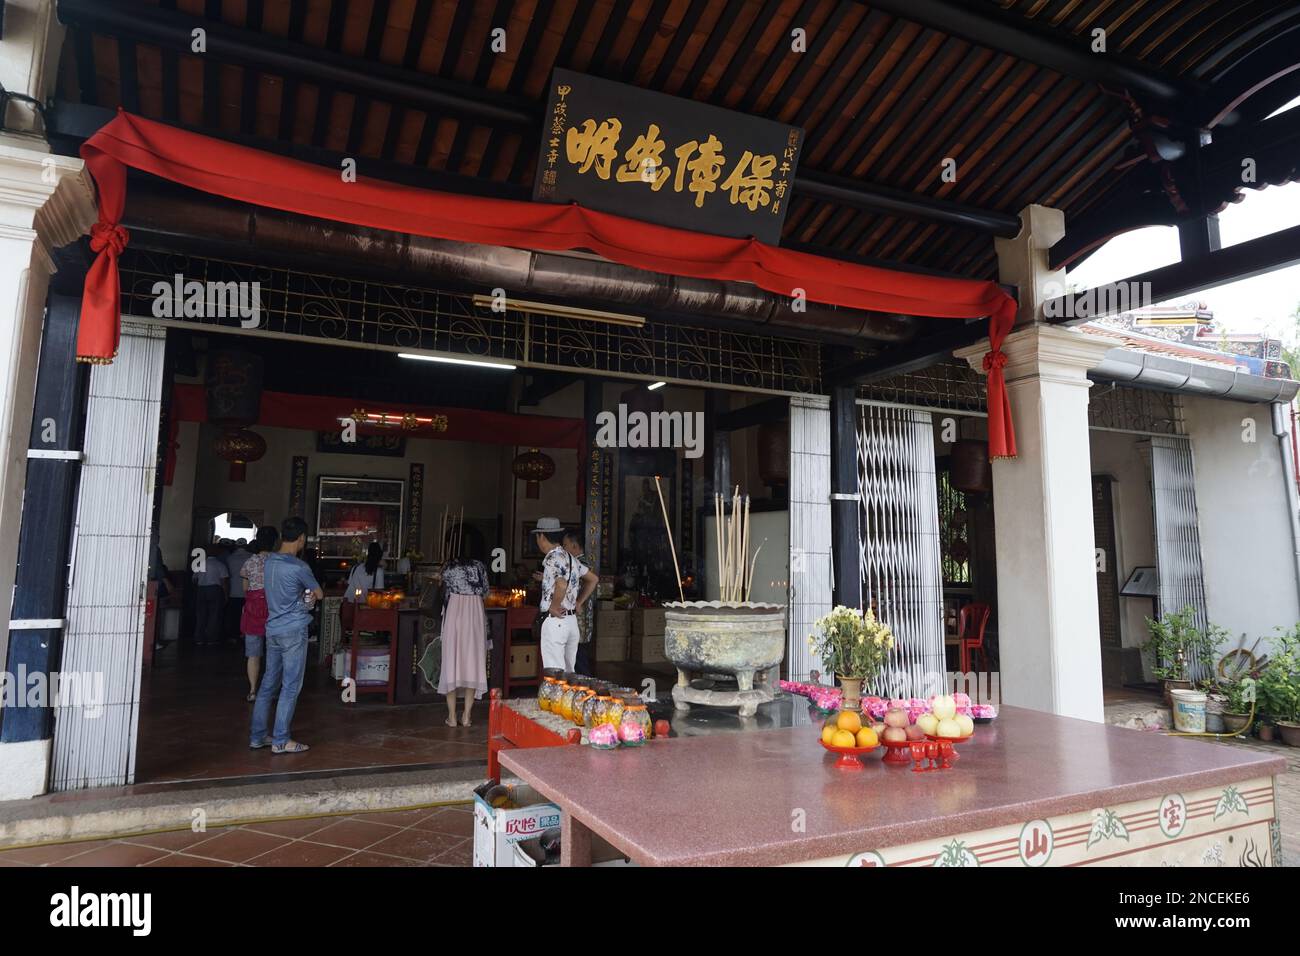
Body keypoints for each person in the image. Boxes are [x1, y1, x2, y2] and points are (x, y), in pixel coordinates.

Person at [250, 517, 322, 754]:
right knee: (290, 686)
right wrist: (308, 596)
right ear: (301, 538)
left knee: (268, 684)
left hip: (272, 630)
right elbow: (318, 593)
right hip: (293, 630)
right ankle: (281, 739)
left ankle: (258, 736)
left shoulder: (268, 562)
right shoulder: (299, 566)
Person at [534, 518, 597, 671]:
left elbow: (561, 584)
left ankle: (557, 696)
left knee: (555, 674)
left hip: (556, 621)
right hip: (571, 622)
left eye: (537, 537)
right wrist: (578, 602)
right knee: (569, 674)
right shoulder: (570, 558)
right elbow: (593, 579)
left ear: (542, 536)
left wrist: (554, 606)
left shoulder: (551, 558)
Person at [438, 547, 489, 728]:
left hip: (454, 610)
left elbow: (441, 589)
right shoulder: (479, 566)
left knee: (451, 660)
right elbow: (485, 591)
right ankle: (467, 716)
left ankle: (452, 717)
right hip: (474, 612)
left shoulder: (449, 567)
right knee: (473, 662)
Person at [239, 525, 279, 702]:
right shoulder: (279, 561)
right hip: (275, 611)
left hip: (253, 611)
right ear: (275, 542)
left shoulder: (250, 562)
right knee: (274, 653)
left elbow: (245, 589)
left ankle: (253, 690)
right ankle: (269, 691)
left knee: (253, 654)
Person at [563, 529, 597, 675]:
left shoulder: (580, 564)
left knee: (578, 657)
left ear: (575, 546)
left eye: (565, 546)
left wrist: (578, 602)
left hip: (579, 617)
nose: (563, 549)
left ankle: (586, 689)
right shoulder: (582, 563)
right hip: (580, 618)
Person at [341, 542, 384, 631]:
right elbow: (378, 594)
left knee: (349, 631)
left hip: (347, 608)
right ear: (380, 556)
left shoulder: (355, 567)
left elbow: (349, 584)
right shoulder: (378, 571)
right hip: (363, 611)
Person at [192, 540, 229, 646]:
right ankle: (211, 639)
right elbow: (224, 582)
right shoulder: (220, 565)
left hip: (201, 590)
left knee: (201, 614)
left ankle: (199, 638)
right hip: (215, 590)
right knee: (214, 615)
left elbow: (194, 579)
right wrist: (226, 595)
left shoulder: (200, 563)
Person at [224, 537, 252, 644]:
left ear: (236, 546)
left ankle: (234, 635)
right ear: (246, 545)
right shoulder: (251, 557)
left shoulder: (230, 558)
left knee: (234, 615)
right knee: (248, 614)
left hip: (233, 591)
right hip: (247, 591)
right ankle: (245, 634)